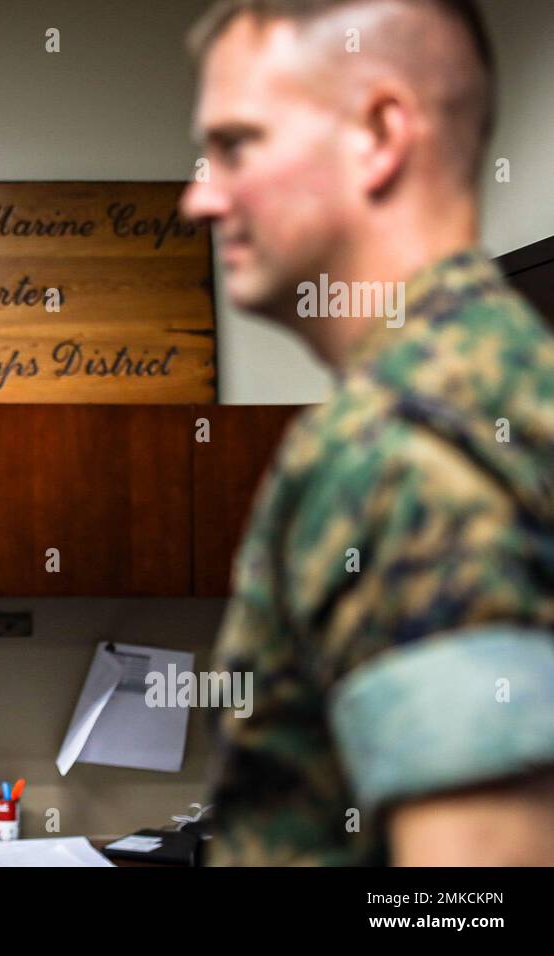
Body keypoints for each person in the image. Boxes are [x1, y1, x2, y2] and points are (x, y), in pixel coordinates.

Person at [181, 0, 554, 864]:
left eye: (236, 145)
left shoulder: (403, 444)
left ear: (380, 136)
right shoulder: (501, 375)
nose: (199, 196)